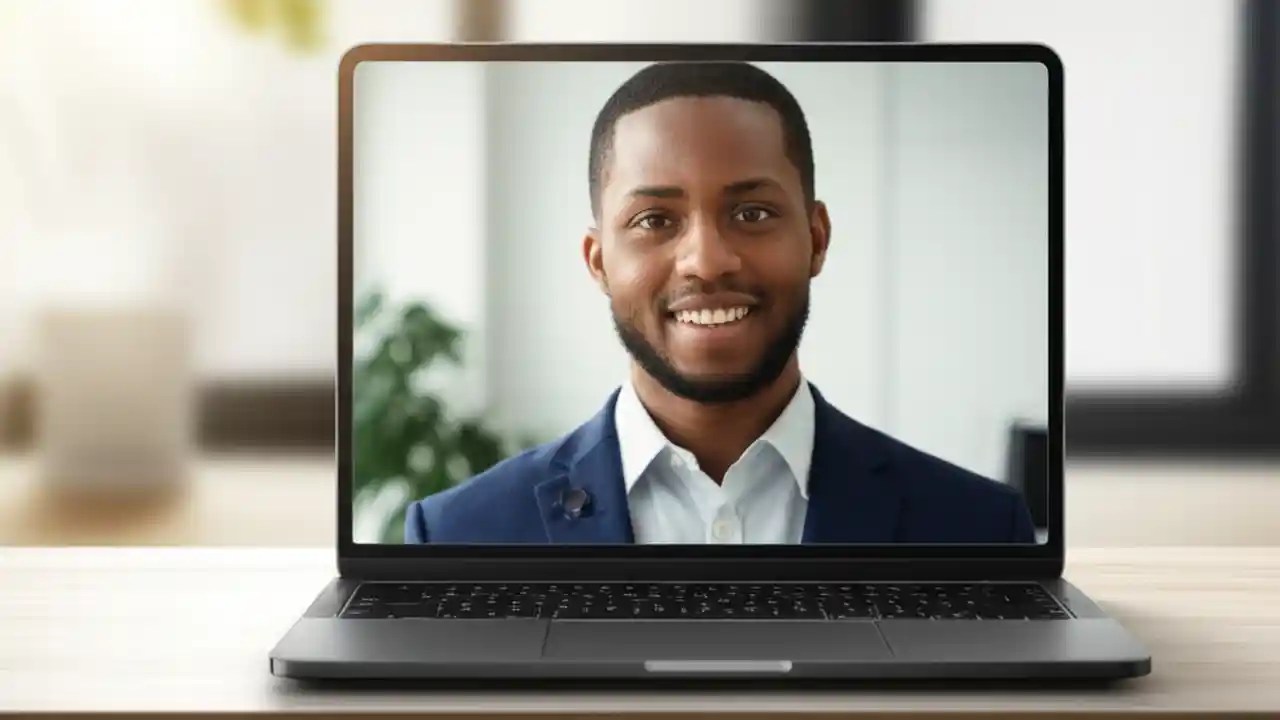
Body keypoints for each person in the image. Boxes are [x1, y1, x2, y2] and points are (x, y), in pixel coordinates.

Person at [404, 61, 1036, 545]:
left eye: (752, 213)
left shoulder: (981, 528)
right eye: (655, 220)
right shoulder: (456, 535)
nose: (706, 261)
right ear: (598, 262)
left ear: (816, 239)